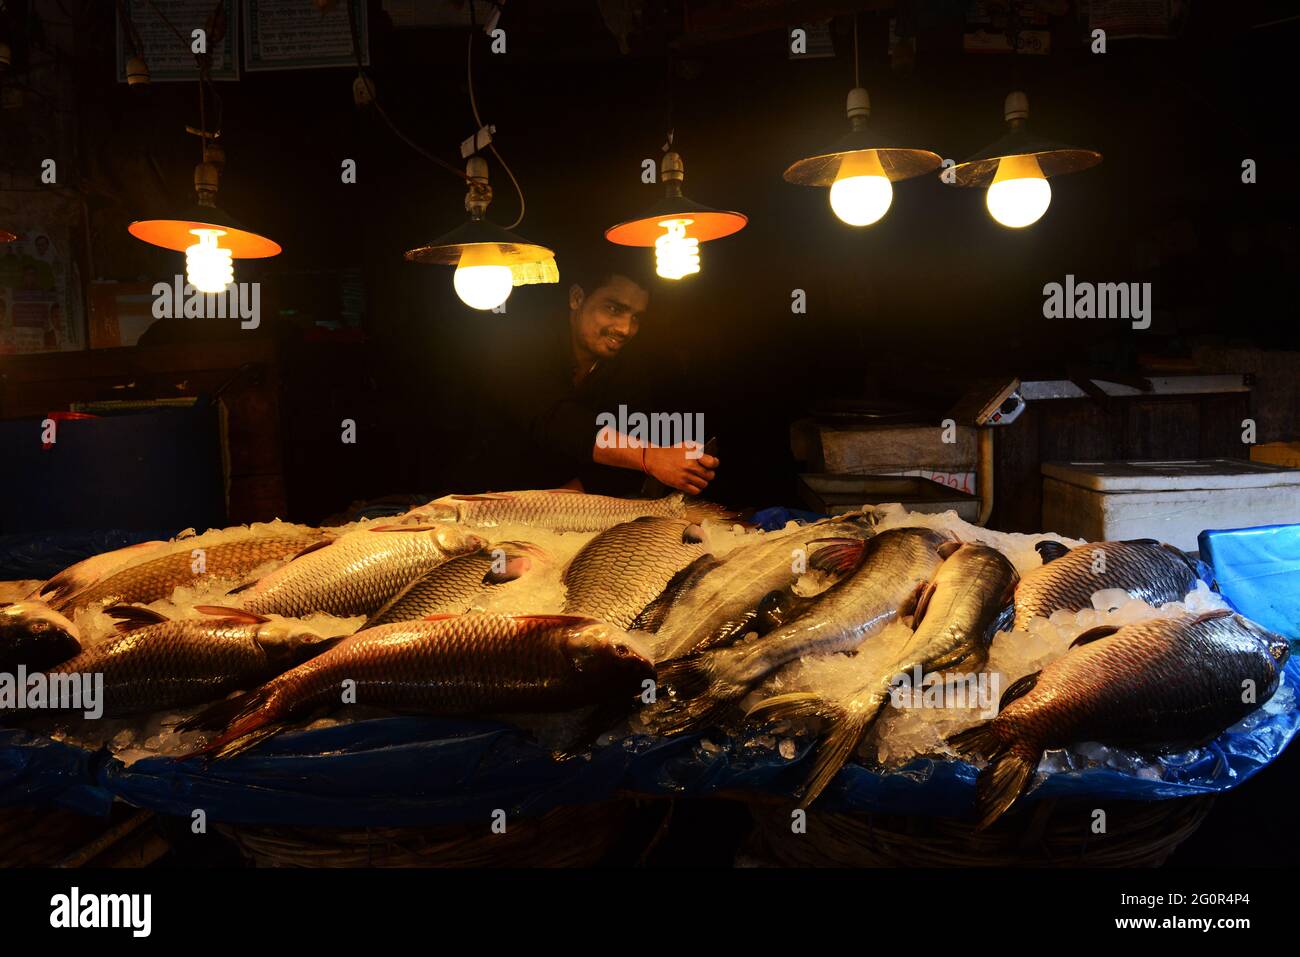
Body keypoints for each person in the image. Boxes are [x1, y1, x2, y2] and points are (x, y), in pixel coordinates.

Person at [472, 253, 720, 497]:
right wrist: (650, 456)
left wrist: (556, 505)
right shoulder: (523, 344)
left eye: (635, 318)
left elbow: (623, 451)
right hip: (481, 496)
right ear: (577, 298)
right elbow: (556, 419)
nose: (625, 329)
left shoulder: (631, 369)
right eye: (613, 309)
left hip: (563, 510)